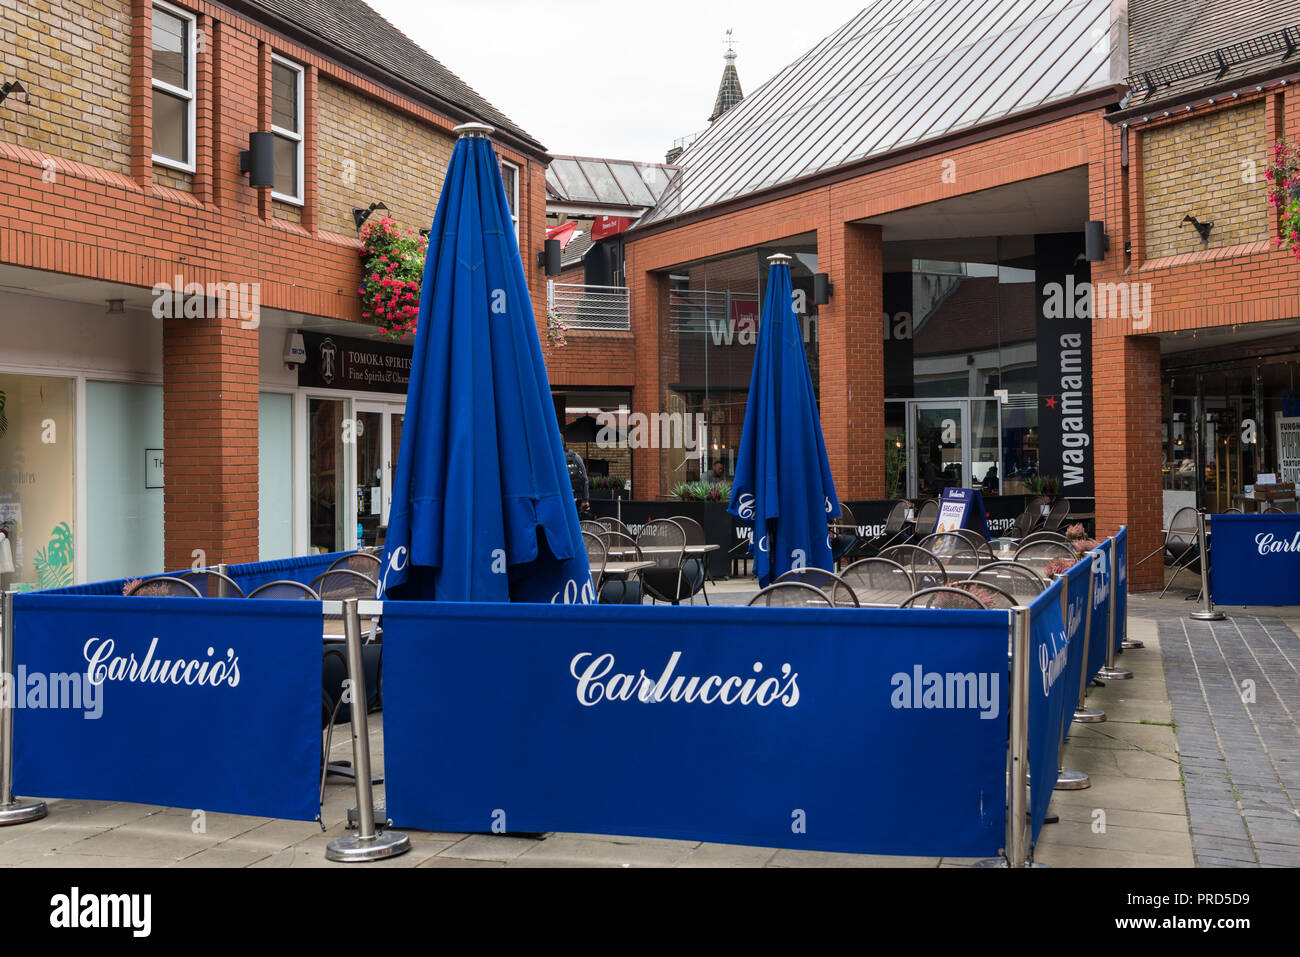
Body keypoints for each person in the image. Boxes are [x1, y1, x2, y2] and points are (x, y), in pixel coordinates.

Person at [565, 447, 591, 519]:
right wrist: (585, 499)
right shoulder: (576, 457)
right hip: (574, 496)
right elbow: (585, 479)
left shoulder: (551, 457)